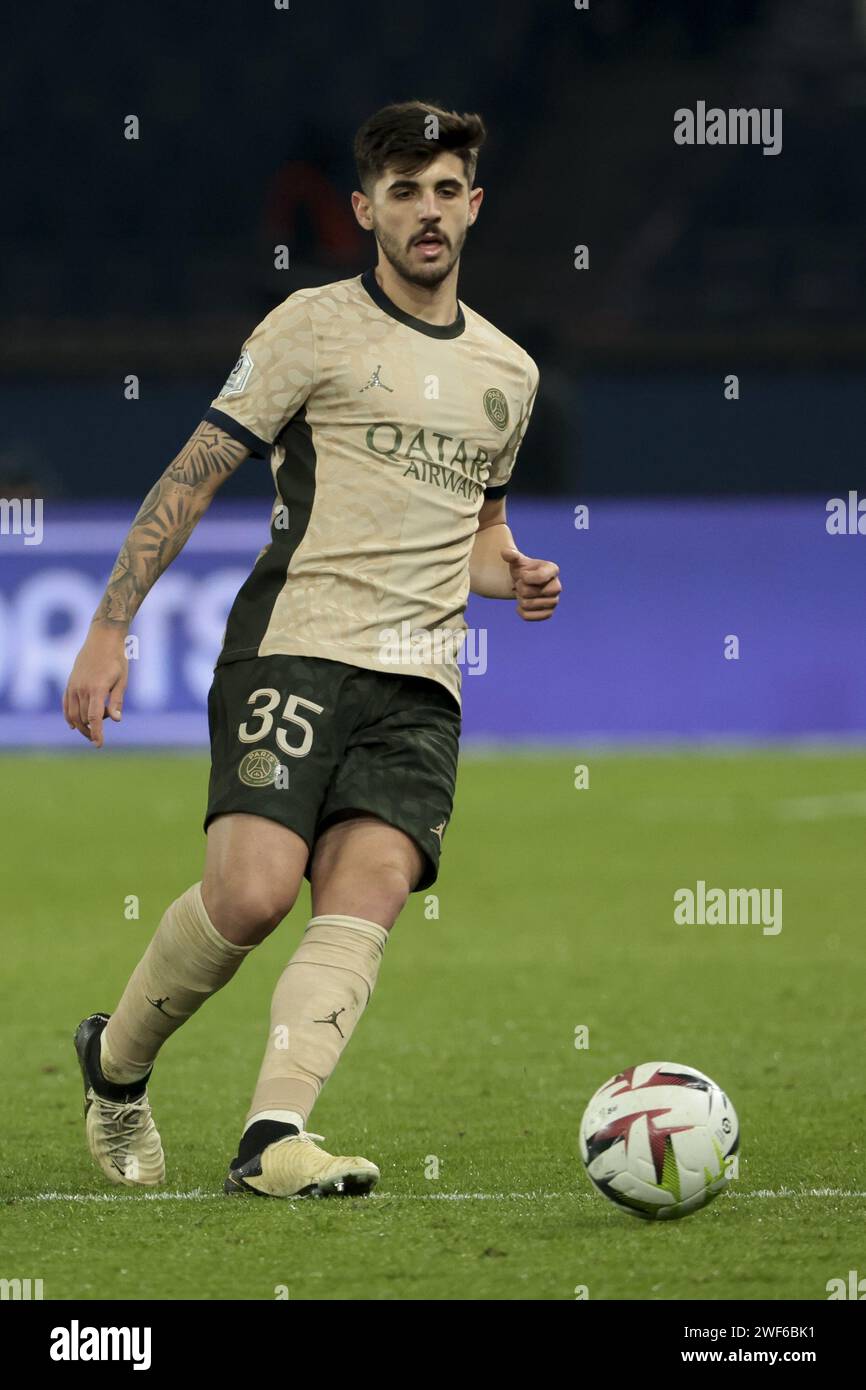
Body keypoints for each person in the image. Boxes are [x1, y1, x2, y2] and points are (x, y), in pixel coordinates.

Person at [63, 100, 562, 1199]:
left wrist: (514, 569)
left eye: (444, 191)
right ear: (363, 209)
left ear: (471, 207)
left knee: (368, 887)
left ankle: (271, 1136)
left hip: (421, 679)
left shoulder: (508, 374)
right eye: (402, 192)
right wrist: (111, 623)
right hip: (295, 647)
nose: (425, 213)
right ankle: (115, 1063)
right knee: (249, 895)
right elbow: (193, 474)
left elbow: (474, 531)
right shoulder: (307, 326)